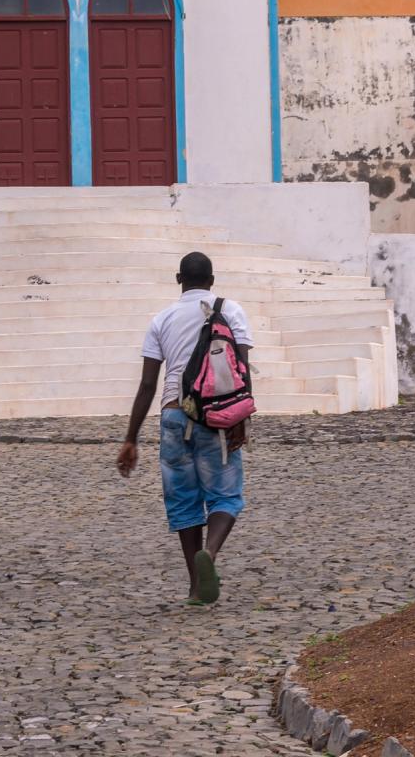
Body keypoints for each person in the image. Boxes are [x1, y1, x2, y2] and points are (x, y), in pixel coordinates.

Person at [116, 251, 253, 605]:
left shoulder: (162, 319)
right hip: (216, 416)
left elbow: (148, 384)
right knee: (226, 496)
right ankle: (211, 551)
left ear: (179, 280)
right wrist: (242, 418)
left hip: (174, 416)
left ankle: (196, 586)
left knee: (184, 503)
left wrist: (131, 438)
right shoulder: (231, 310)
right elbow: (242, 368)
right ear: (212, 280)